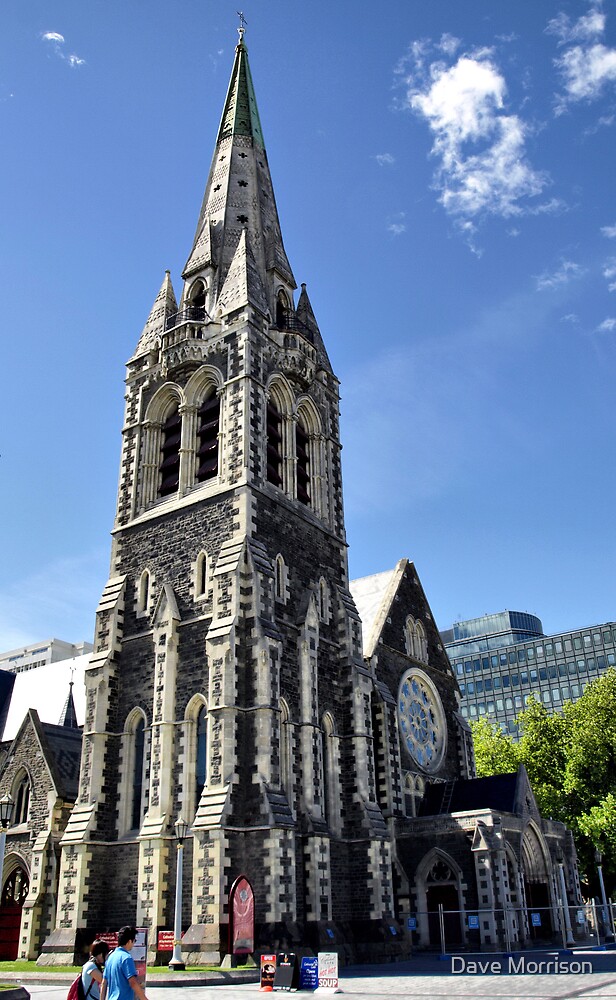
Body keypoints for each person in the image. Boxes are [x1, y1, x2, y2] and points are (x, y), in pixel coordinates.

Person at [99, 926, 149, 1000]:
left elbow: (104, 983)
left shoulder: (110, 957)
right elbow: (133, 982)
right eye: (134, 941)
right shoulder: (126, 958)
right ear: (129, 941)